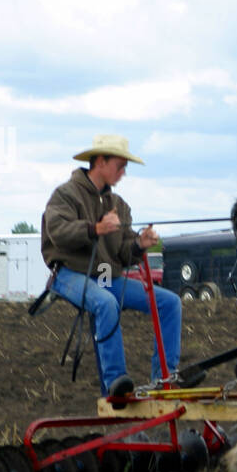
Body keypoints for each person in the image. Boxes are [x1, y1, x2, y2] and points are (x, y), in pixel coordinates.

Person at [41, 134, 181, 396]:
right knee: (106, 303)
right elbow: (57, 231)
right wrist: (95, 228)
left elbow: (123, 253)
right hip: (70, 274)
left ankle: (165, 378)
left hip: (108, 278)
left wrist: (140, 244)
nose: (124, 172)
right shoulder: (65, 195)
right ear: (101, 162)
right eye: (120, 165)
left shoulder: (120, 206)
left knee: (170, 303)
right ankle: (116, 384)